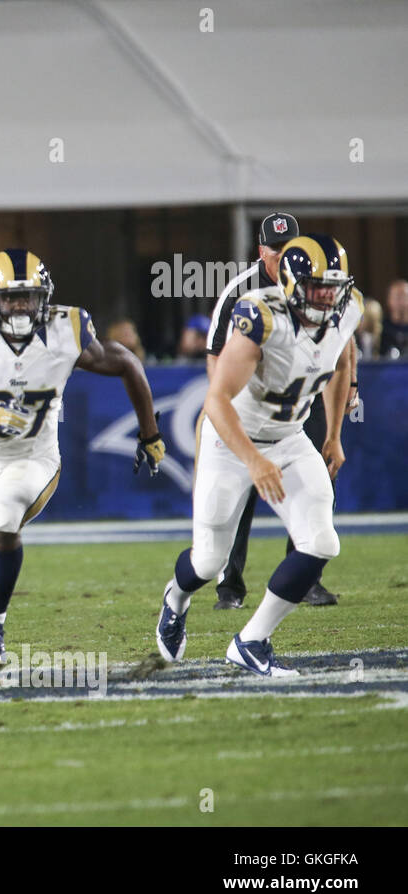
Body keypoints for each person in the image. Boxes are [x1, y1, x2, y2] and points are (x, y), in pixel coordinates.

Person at [0, 249, 164, 682]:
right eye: (11, 298)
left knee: (3, 519)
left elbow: (128, 364)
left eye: (29, 297)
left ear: (45, 298)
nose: (20, 307)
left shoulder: (66, 330)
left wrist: (150, 434)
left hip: (34, 459)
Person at [156, 235, 361, 677]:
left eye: (334, 287)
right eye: (318, 287)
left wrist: (333, 435)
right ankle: (176, 597)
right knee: (209, 563)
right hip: (230, 439)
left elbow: (342, 361)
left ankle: (250, 641)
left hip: (288, 437)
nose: (328, 297)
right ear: (290, 283)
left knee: (321, 541)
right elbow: (216, 399)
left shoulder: (348, 308)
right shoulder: (260, 315)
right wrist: (252, 460)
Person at [204, 212, 335, 609]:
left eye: (287, 248)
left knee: (311, 490)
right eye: (274, 250)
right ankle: (230, 585)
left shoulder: (316, 282)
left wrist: (349, 389)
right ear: (261, 251)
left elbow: (340, 342)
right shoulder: (240, 290)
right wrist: (223, 403)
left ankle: (305, 577)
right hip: (251, 404)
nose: (281, 256)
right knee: (240, 493)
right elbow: (214, 354)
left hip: (301, 401)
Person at [380, 279, 408, 359]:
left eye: (404, 297)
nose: (401, 302)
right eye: (397, 297)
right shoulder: (380, 330)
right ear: (389, 300)